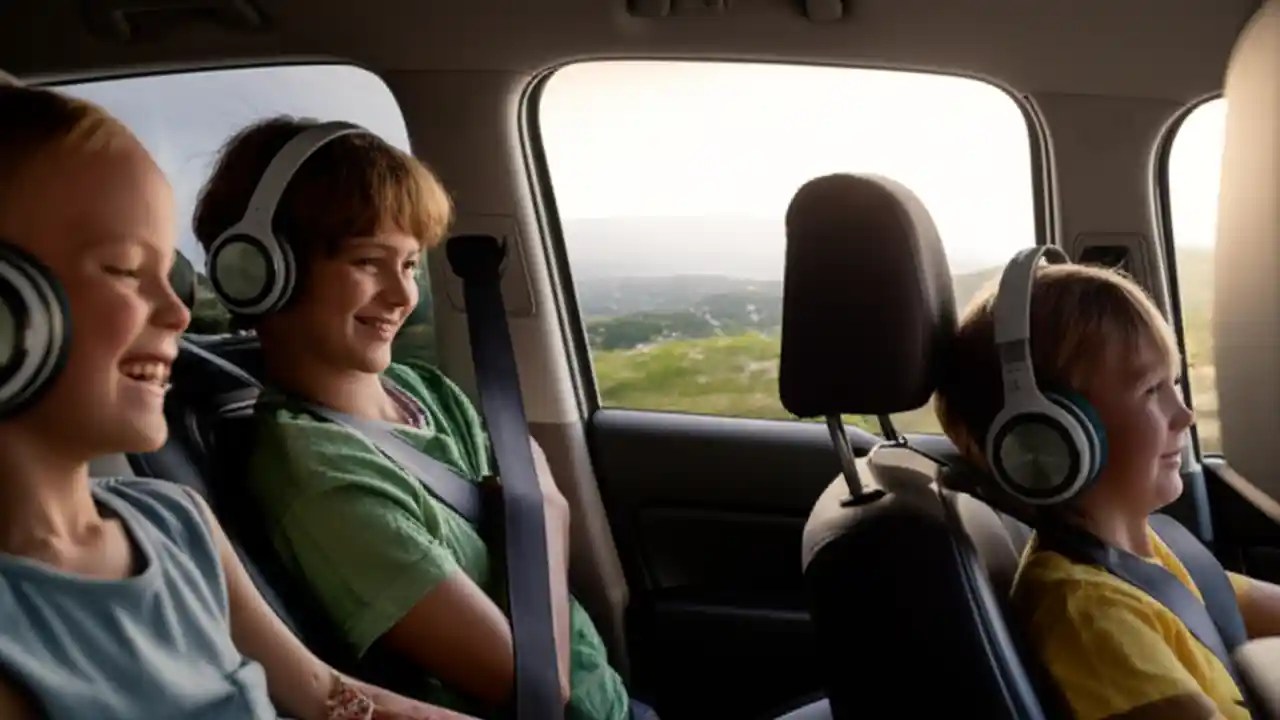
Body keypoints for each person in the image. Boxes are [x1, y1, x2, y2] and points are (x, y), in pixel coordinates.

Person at [0, 83, 472, 720]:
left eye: (169, 274)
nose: (177, 313)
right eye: (125, 270)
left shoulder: (174, 521)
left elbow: (329, 698)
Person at [192, 116, 635, 720]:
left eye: (408, 265)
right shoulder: (318, 476)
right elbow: (534, 686)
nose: (404, 297)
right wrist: (547, 513)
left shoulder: (425, 390)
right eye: (368, 262)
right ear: (263, 270)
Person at [932, 257, 1280, 720]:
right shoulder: (1088, 613)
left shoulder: (1141, 551)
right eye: (1151, 389)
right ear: (1053, 434)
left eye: (1175, 382)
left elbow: (1232, 604)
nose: (1186, 415)